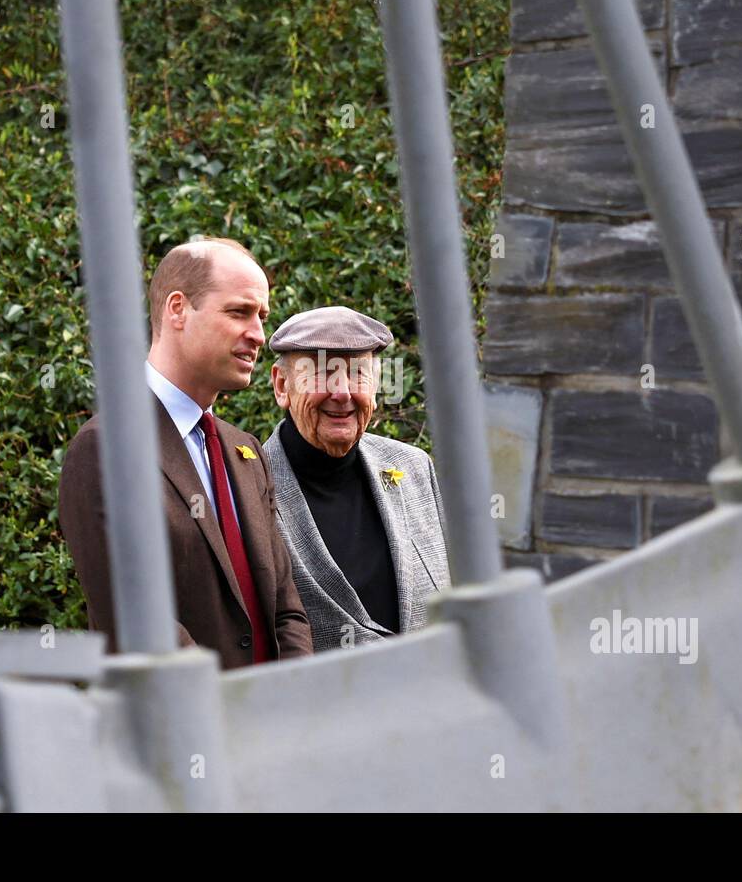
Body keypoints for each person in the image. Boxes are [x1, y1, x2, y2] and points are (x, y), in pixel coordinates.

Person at [58, 237, 313, 668]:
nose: (258, 334)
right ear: (177, 309)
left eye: (262, 317)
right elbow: (133, 618)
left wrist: (292, 697)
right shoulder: (105, 448)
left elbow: (286, 608)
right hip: (182, 724)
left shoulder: (245, 451)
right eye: (239, 312)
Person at [262, 306, 450, 652]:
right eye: (321, 374)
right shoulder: (249, 490)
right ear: (281, 385)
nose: (343, 393)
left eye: (358, 373)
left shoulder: (415, 469)